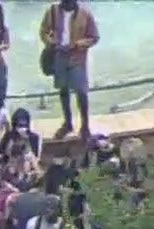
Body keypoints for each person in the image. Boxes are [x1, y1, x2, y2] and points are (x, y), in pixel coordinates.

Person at [40, 0, 100, 140]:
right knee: (63, 89)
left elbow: (94, 37)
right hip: (59, 55)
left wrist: (80, 43)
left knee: (81, 92)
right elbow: (43, 31)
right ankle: (68, 123)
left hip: (77, 57)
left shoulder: (85, 14)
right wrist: (51, 41)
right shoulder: (53, 11)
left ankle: (85, 126)